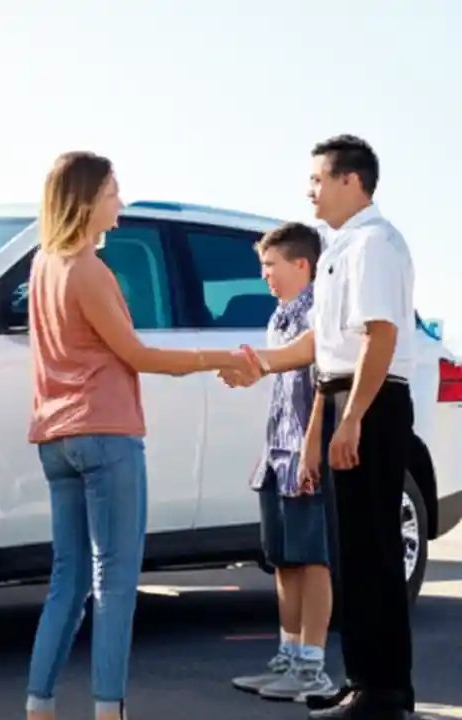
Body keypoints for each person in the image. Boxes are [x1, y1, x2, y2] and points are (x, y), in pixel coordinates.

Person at [24, 151, 252, 720]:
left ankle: (38, 705)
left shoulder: (42, 265)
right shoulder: (88, 271)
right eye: (112, 191)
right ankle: (109, 710)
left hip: (56, 437)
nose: (120, 201)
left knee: (67, 581)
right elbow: (139, 356)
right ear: (86, 200)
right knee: (116, 580)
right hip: (105, 434)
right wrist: (220, 356)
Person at [220, 134, 416, 720]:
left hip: (368, 400)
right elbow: (321, 342)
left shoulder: (374, 245)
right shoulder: (341, 246)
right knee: (351, 552)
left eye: (318, 179)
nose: (310, 190)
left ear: (350, 181)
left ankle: (382, 694)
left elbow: (380, 335)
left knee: (371, 554)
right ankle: (367, 684)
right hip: (343, 393)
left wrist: (351, 417)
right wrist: (264, 366)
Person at [229, 222, 339, 703]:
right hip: (277, 452)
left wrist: (311, 443)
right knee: (283, 558)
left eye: (271, 266)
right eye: (261, 267)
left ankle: (313, 666)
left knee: (313, 558)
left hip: (304, 451)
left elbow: (324, 383)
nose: (264, 276)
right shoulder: (279, 317)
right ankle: (288, 655)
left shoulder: (320, 312)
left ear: (302, 265)